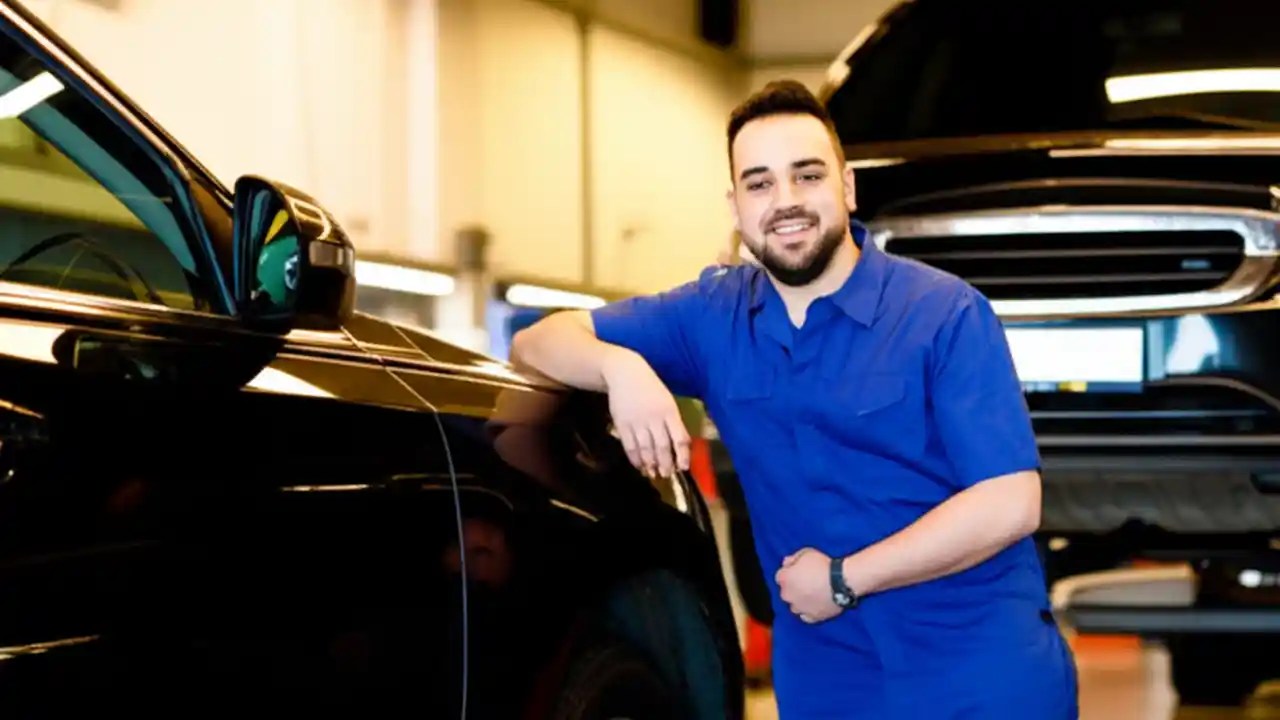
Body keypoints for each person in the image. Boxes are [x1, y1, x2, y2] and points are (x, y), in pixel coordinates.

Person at [509, 79, 1078, 719]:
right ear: (736, 206)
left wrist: (845, 578)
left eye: (807, 176)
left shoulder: (944, 314)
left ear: (848, 187)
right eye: (760, 183)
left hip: (979, 677)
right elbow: (537, 341)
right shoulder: (713, 318)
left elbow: (1011, 501)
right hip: (829, 687)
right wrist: (620, 368)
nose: (785, 202)